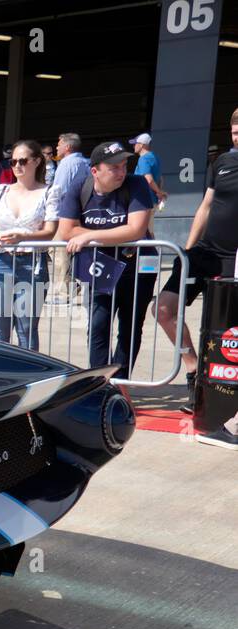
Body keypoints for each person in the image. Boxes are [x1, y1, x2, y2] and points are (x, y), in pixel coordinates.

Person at [152, 107, 238, 409]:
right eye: (234, 132)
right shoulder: (222, 162)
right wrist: (187, 251)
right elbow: (205, 206)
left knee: (227, 330)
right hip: (205, 251)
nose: (237, 137)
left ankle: (220, 395)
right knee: (163, 309)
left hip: (234, 259)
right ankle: (194, 372)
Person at [57, 141, 156, 380]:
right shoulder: (79, 187)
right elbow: (67, 231)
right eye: (114, 168)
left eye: (123, 165)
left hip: (137, 266)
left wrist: (90, 235)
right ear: (95, 171)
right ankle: (100, 381)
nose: (121, 172)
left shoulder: (137, 184)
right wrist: (111, 236)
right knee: (98, 324)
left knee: (130, 327)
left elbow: (135, 230)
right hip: (100, 267)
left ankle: (120, 381)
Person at [0, 139, 60, 349]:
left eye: (22, 161)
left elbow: (50, 231)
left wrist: (22, 238)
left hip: (32, 265)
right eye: (13, 161)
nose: (16, 166)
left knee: (26, 328)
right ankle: (0, 378)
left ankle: (30, 378)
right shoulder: (1, 191)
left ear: (36, 161)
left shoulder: (49, 191)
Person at [50, 133, 91, 302]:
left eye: (59, 145)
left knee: (58, 250)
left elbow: (59, 191)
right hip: (81, 213)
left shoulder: (66, 164)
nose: (57, 148)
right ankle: (72, 284)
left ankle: (67, 289)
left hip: (64, 214)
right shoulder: (86, 162)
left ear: (67, 147)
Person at [131, 134, 167, 209]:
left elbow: (149, 180)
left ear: (141, 145)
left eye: (135, 144)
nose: (133, 146)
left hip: (143, 201)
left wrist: (159, 192)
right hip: (153, 201)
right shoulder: (155, 157)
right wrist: (159, 191)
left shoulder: (143, 159)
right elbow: (160, 179)